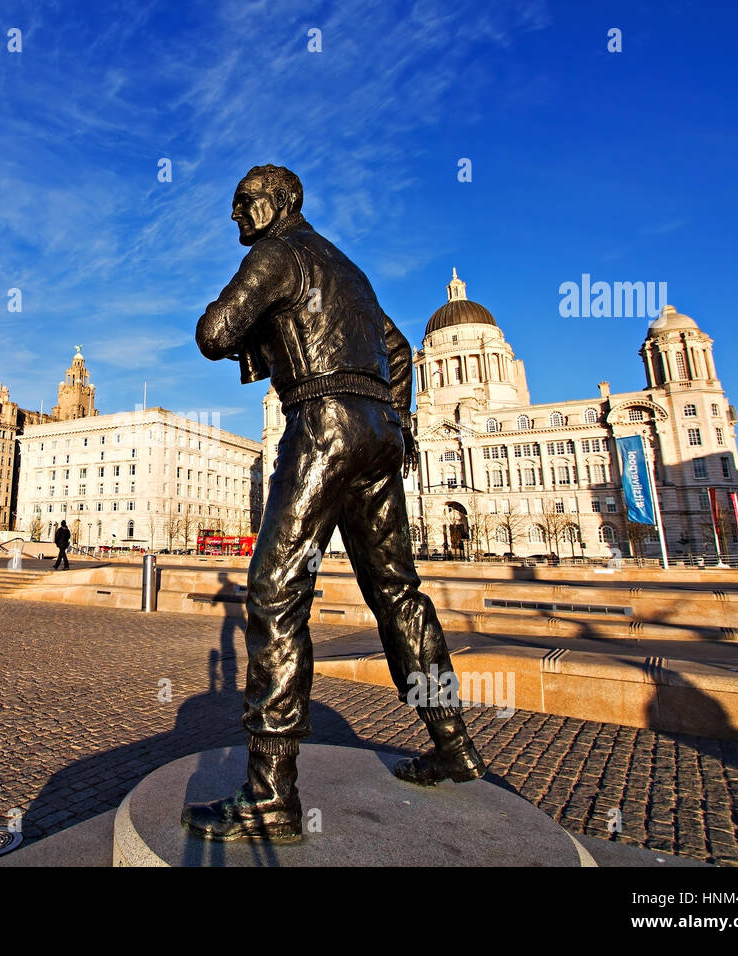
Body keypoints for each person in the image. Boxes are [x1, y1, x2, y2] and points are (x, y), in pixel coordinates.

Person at [182, 165, 486, 844]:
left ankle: (270, 799)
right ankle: (453, 743)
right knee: (399, 595)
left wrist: (238, 312)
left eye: (243, 203)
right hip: (378, 430)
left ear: (281, 201)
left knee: (274, 591)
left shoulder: (277, 253)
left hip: (323, 423)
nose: (235, 216)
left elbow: (214, 334)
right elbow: (399, 350)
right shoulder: (346, 267)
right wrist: (399, 422)